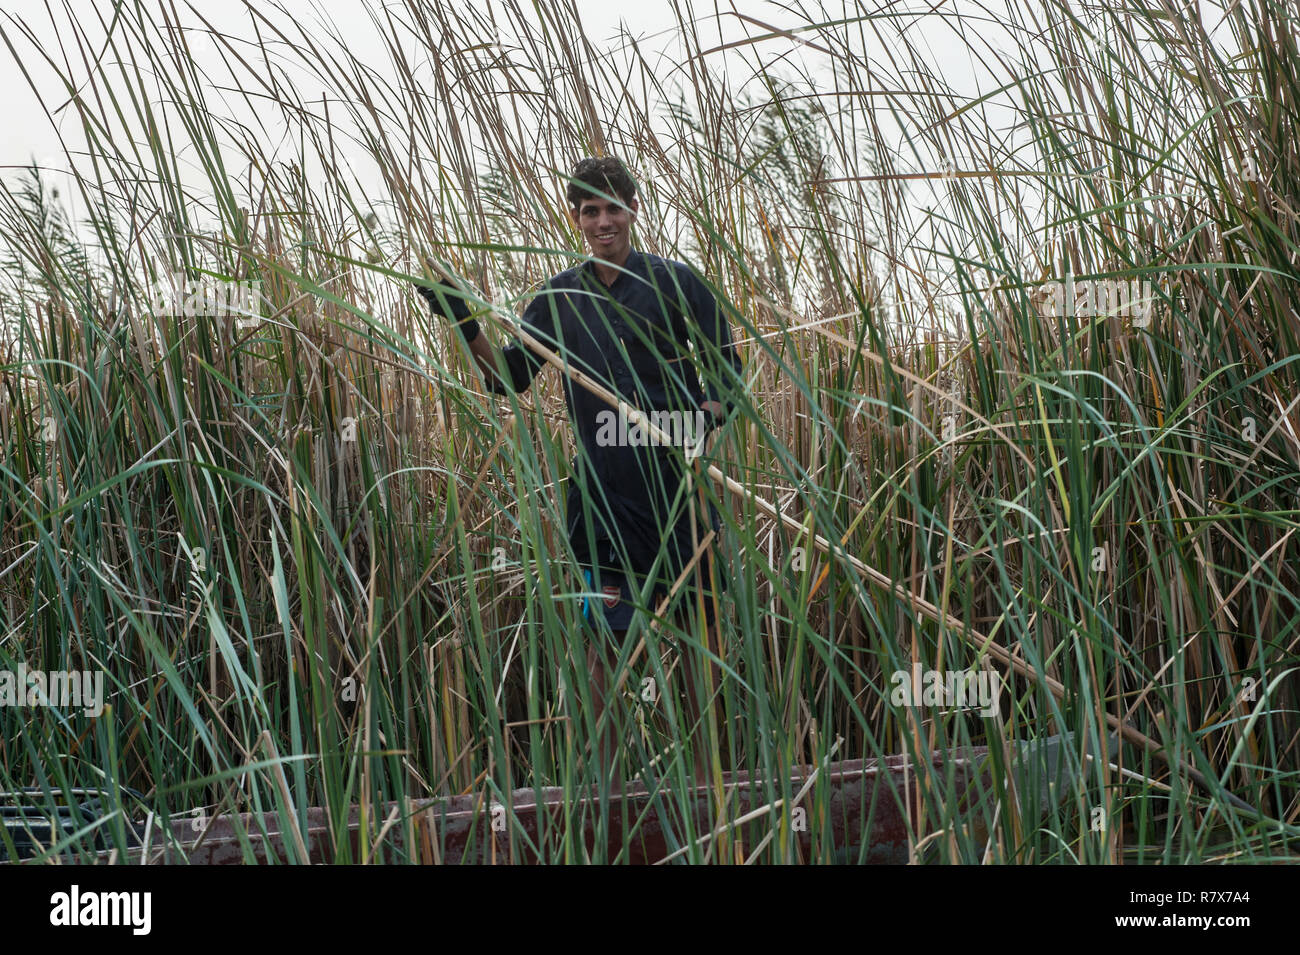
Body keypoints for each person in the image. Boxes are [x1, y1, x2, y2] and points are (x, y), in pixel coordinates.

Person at [416, 156, 743, 783]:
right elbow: (506, 380)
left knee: (700, 645)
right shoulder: (560, 299)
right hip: (602, 505)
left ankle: (710, 793)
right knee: (604, 654)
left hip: (679, 501)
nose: (603, 221)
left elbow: (726, 376)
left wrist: (705, 414)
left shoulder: (677, 284)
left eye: (613, 207)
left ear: (633, 209)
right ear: (576, 218)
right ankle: (609, 797)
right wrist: (463, 319)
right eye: (589, 210)